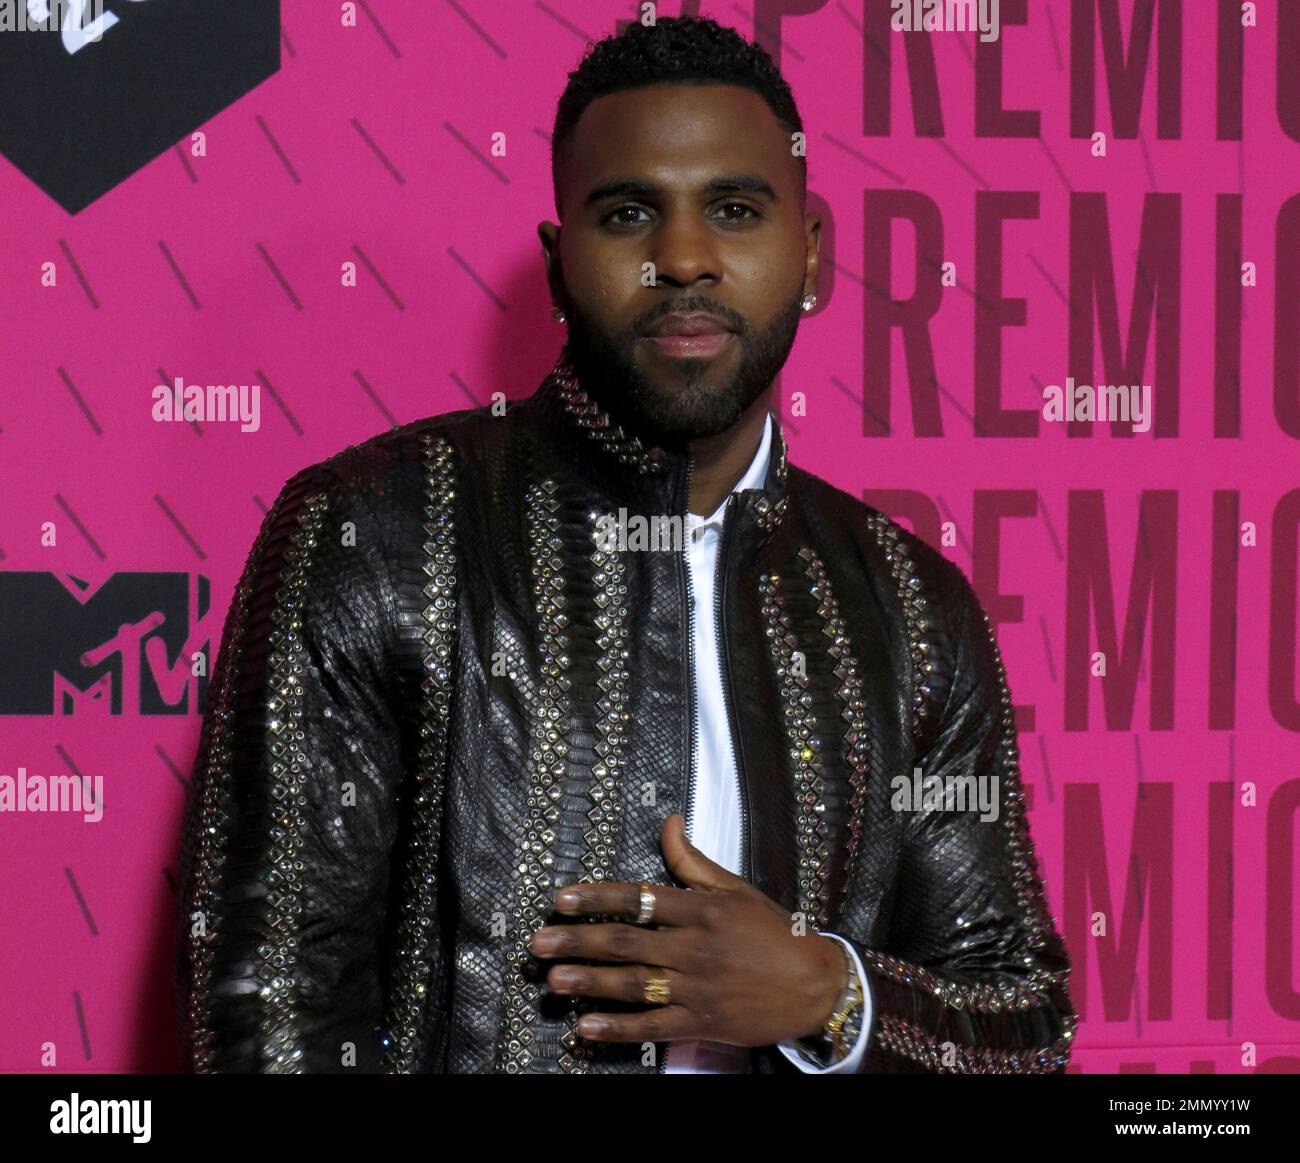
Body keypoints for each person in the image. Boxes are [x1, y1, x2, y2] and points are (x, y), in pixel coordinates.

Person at [174, 14, 1076, 1074]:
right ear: (560, 266)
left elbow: (1020, 1019)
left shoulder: (911, 607)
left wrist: (824, 989)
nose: (683, 257)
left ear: (813, 253)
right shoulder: (372, 533)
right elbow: (269, 1022)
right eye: (628, 212)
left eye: (734, 210)